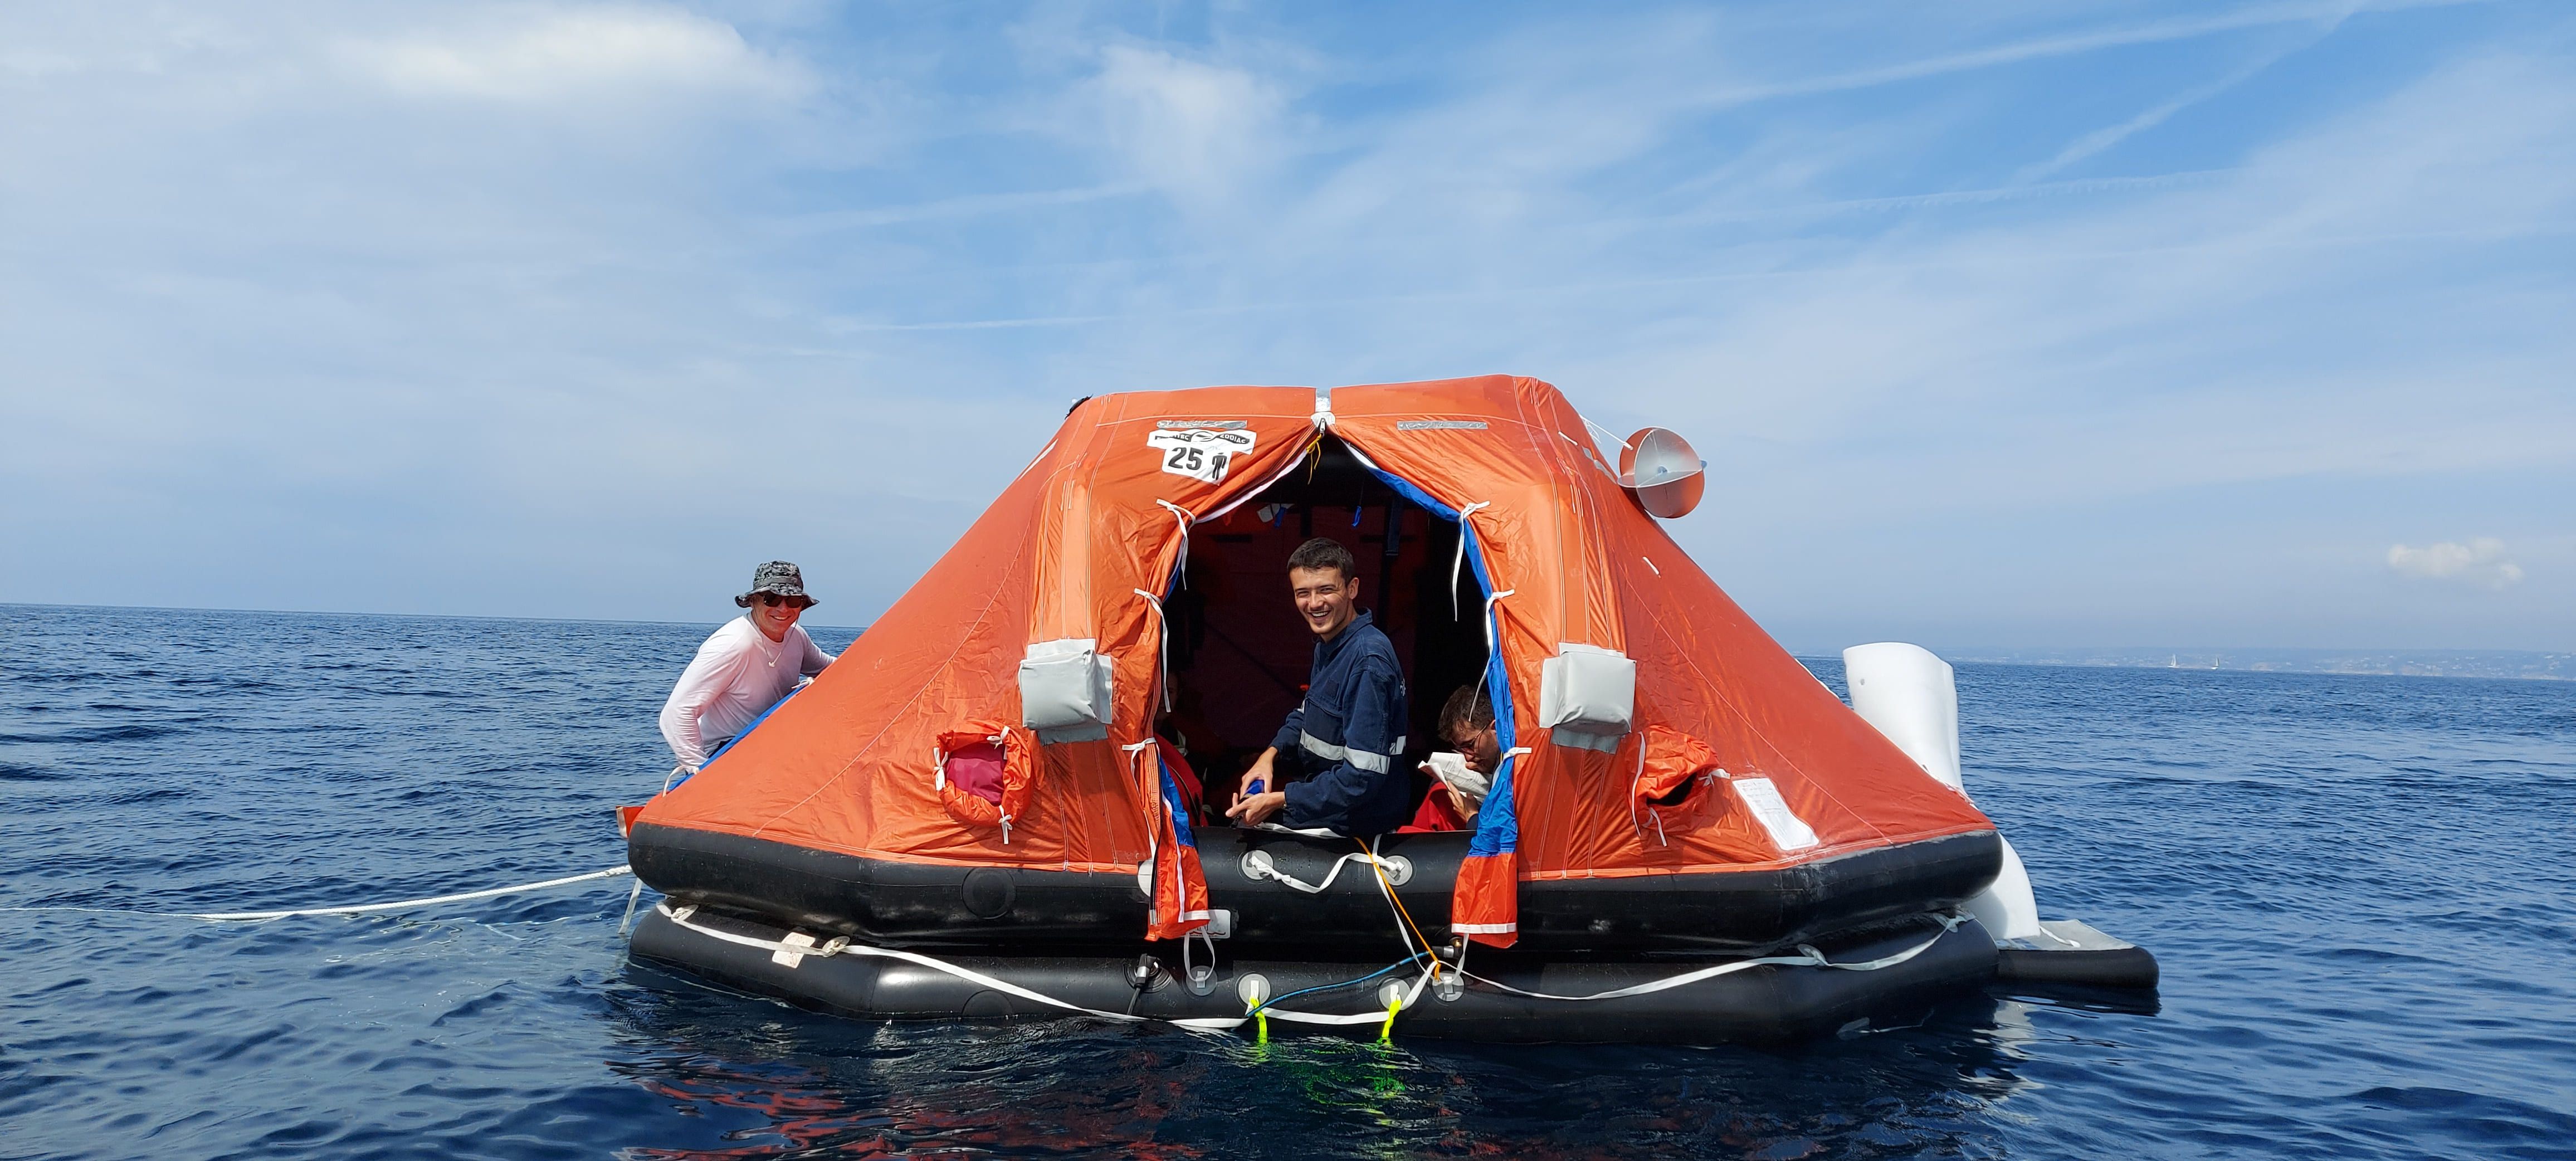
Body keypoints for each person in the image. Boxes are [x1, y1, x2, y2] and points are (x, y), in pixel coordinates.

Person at [1224, 538, 1411, 835]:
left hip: (1355, 824)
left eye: (1326, 590)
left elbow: (1361, 778)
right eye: (1303, 593)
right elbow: (1309, 713)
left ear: (1352, 589)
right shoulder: (1331, 643)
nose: (1314, 604)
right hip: (1329, 806)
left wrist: (1281, 800)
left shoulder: (1367, 663)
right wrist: (1267, 758)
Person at [659, 562, 837, 775]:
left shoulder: (796, 636)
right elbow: (677, 713)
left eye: (793, 600)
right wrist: (702, 774)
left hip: (772, 746)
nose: (783, 609)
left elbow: (832, 670)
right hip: (726, 751)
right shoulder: (732, 645)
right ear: (753, 601)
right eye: (772, 599)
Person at [1402, 683, 1501, 832]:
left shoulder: (1521, 765)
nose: (1468, 757)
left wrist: (1472, 817)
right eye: (1461, 749)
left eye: (1471, 745)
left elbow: (1506, 844)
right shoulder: (1443, 794)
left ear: (1494, 728)